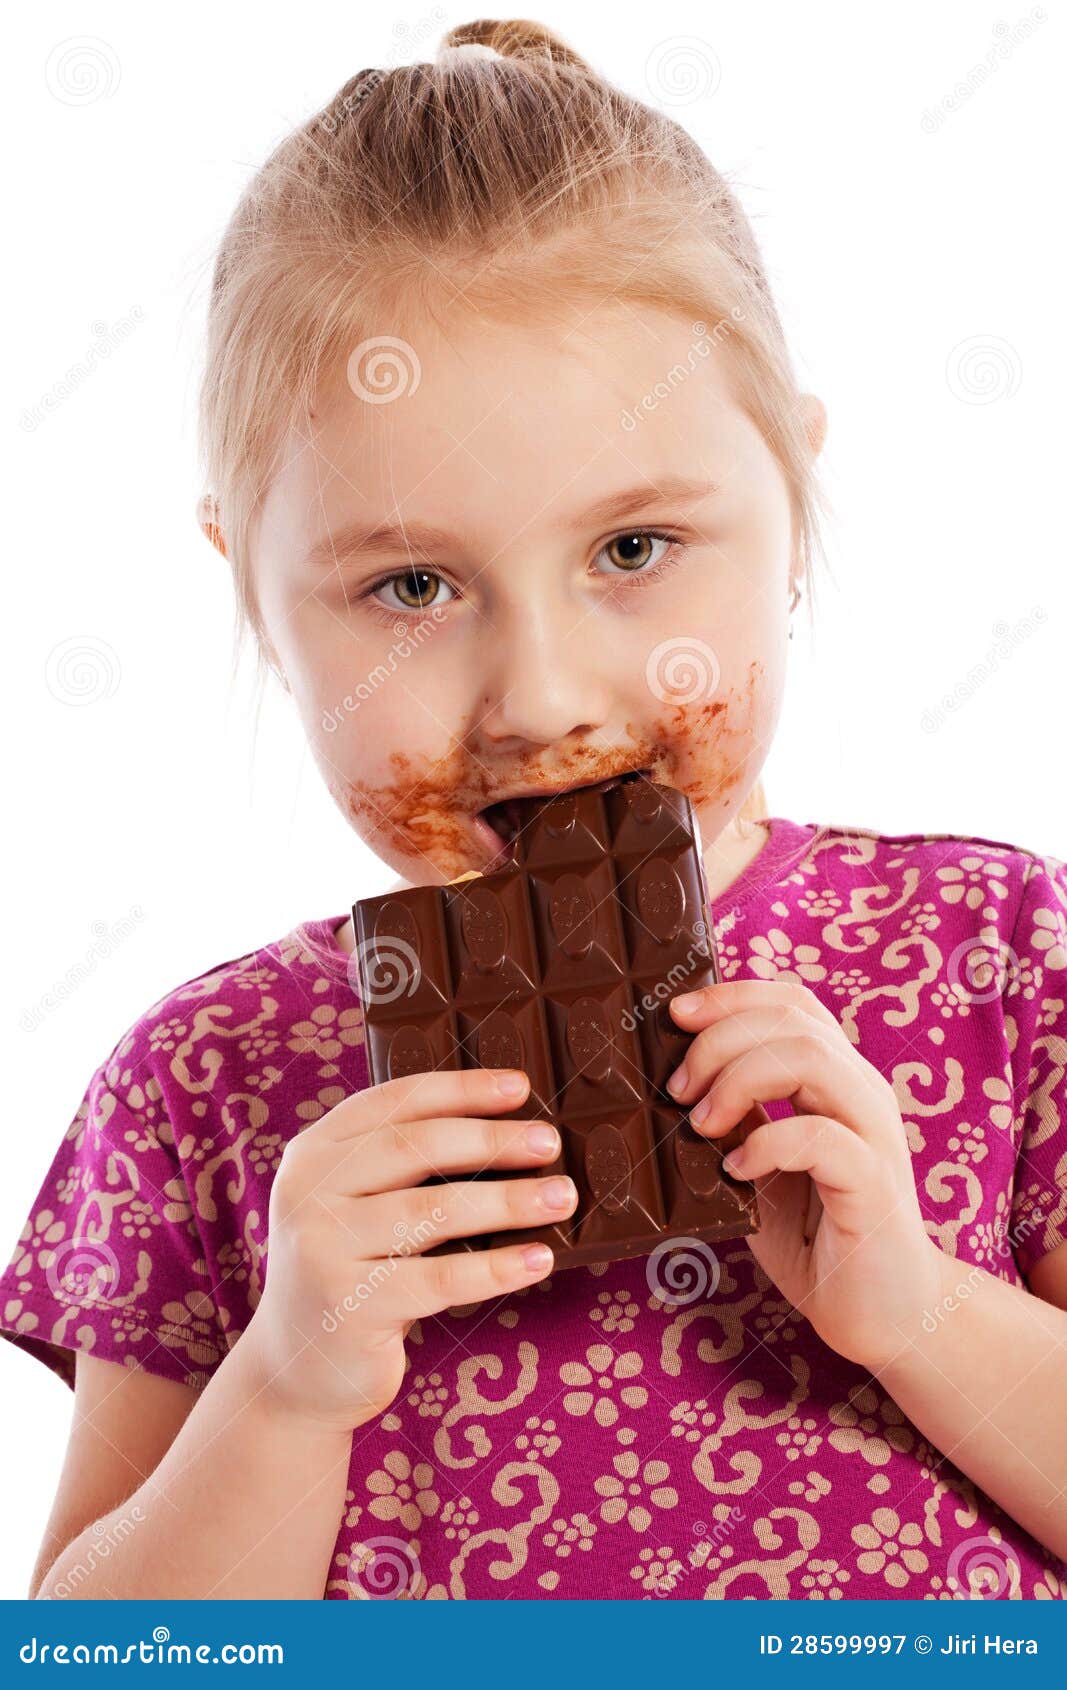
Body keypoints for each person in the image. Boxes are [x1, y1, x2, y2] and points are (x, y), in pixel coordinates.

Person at [3, 18, 1065, 1602]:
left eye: (635, 549)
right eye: (411, 584)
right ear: (255, 594)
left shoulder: (1007, 966)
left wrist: (920, 1313)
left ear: (793, 498)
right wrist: (283, 1390)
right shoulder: (200, 1088)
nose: (546, 694)